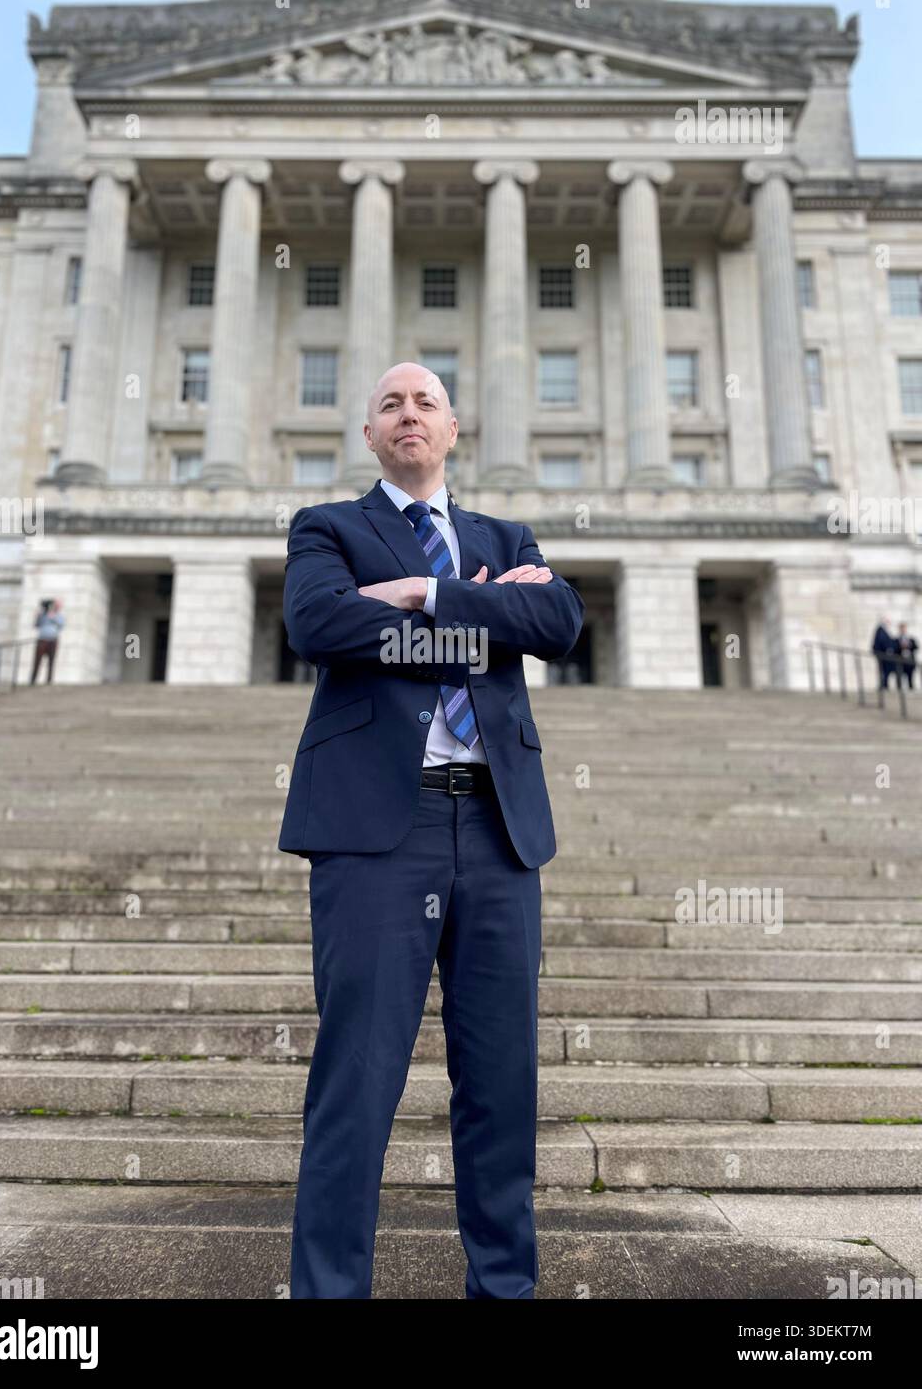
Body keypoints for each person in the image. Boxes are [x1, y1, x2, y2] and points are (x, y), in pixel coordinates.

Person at [278, 360, 585, 1299]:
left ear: (453, 430)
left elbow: (557, 622)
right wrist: (480, 613)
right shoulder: (327, 527)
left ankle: (504, 1289)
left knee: (500, 1083)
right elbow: (318, 625)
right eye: (390, 404)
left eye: (427, 402)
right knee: (357, 1079)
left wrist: (420, 594)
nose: (408, 413)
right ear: (369, 435)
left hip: (498, 827)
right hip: (379, 826)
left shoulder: (505, 535)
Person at [30, 598, 64, 684]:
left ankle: (49, 680)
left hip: (53, 640)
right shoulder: (42, 615)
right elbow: (36, 625)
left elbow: (61, 626)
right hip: (42, 640)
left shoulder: (59, 616)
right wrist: (38, 616)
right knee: (37, 660)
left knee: (51, 661)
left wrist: (53, 617)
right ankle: (33, 680)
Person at [895, 622, 918, 689]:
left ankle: (911, 689)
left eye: (904, 628)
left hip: (909, 661)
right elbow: (895, 649)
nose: (903, 630)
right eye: (901, 628)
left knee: (910, 677)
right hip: (900, 661)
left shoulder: (911, 639)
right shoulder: (896, 640)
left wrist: (909, 645)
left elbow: (916, 647)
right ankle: (899, 690)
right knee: (899, 677)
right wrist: (901, 646)